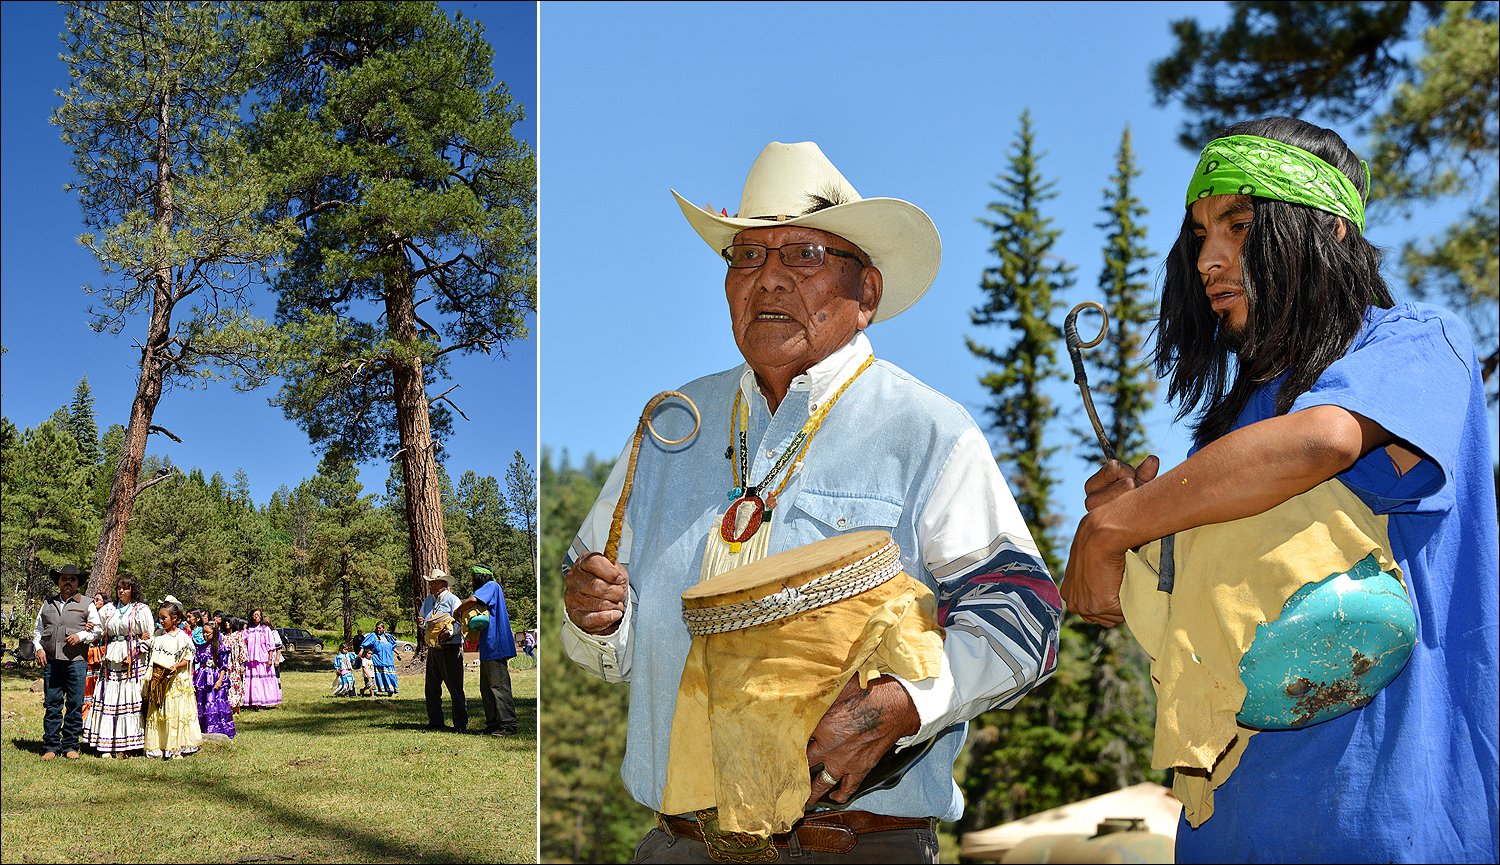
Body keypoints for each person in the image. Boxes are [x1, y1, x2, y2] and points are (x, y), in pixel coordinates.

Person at [561, 142, 1061, 862]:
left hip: (848, 845)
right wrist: (597, 617)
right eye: (746, 257)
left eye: (803, 255)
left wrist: (900, 705)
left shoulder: (926, 429)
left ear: (868, 295)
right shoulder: (670, 426)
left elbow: (1026, 611)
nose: (767, 280)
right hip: (680, 845)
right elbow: (604, 639)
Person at [1063, 116, 1498, 864]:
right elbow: (1219, 641)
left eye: (1237, 223)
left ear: (1328, 228)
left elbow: (1322, 441)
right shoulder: (1233, 428)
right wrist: (1148, 548)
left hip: (1390, 827)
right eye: (1199, 233)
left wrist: (1116, 526)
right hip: (1228, 832)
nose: (1209, 257)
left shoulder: (1418, 343)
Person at [32, 564, 101, 760]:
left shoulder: (87, 603)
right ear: (58, 582)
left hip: (76, 662)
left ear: (78, 583)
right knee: (52, 704)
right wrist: (38, 648)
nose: (68, 582)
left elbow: (98, 629)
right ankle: (51, 747)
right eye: (64, 579)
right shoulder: (47, 603)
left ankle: (70, 745)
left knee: (74, 703)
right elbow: (38, 630)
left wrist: (80, 636)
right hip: (52, 662)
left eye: (72, 579)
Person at [83, 574, 154, 758]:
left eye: (126, 587)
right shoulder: (110, 609)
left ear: (133, 590)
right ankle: (107, 744)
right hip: (112, 658)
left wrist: (135, 652)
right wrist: (90, 627)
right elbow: (98, 629)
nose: (121, 591)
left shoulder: (141, 610)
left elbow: (149, 637)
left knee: (128, 699)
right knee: (110, 698)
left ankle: (129, 745)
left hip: (132, 660)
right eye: (119, 587)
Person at [462, 565, 517, 736]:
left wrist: (458, 610)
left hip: (497, 645)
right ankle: (492, 724)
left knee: (498, 686)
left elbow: (472, 601)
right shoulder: (489, 589)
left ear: (481, 576)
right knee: (486, 689)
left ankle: (508, 725)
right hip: (488, 647)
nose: (472, 580)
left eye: (473, 576)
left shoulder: (492, 586)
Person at [144, 601, 201, 759]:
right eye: (160, 618)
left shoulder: (182, 637)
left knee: (174, 712)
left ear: (175, 619)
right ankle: (159, 746)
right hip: (159, 680)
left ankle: (175, 747)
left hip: (175, 681)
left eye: (164, 618)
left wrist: (176, 666)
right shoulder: (158, 635)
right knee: (159, 712)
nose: (161, 621)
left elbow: (188, 657)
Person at [417, 569, 467, 732]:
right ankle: (435, 721)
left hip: (451, 648)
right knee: (431, 688)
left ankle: (460, 724)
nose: (430, 586)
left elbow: (460, 622)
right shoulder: (428, 600)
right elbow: (424, 620)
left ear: (443, 584)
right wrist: (422, 622)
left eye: (433, 583)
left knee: (454, 686)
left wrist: (450, 632)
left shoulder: (453, 600)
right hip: (434, 647)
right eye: (430, 583)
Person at [193, 619, 234, 738]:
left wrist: (220, 680)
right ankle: (204, 729)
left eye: (208, 633)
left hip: (215, 677)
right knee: (203, 702)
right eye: (203, 632)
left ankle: (220, 730)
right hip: (203, 677)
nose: (205, 635)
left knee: (217, 703)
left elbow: (223, 667)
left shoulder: (220, 648)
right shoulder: (200, 647)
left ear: (214, 633)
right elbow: (197, 661)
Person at [242, 608, 282, 708]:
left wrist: (270, 659)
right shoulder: (248, 630)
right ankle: (254, 701)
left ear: (261, 616)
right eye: (254, 614)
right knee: (253, 681)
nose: (256, 616)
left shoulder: (265, 629)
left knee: (263, 680)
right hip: (251, 660)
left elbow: (270, 645)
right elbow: (243, 643)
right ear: (251, 616)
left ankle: (265, 701)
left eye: (258, 615)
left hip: (263, 660)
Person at [81, 591, 109, 726]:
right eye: (94, 599)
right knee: (87, 684)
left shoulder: (107, 615)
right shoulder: (88, 613)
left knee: (97, 683)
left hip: (100, 652)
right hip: (88, 651)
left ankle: (93, 719)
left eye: (98, 599)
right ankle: (83, 717)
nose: (95, 601)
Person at [360, 621, 399, 697]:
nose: (378, 630)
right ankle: (374, 692)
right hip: (378, 661)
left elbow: (393, 646)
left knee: (390, 676)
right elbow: (364, 645)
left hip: (388, 661)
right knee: (378, 677)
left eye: (380, 628)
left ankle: (390, 691)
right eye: (377, 628)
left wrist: (398, 654)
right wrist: (361, 653)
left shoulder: (388, 637)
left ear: (384, 628)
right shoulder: (372, 636)